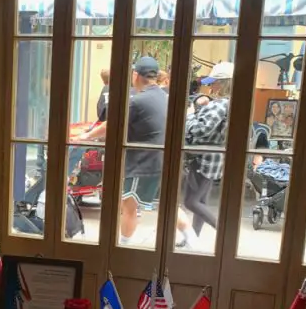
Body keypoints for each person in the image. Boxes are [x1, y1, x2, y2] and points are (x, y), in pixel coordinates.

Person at [89, 56, 167, 243]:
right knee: (129, 203)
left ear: (136, 75)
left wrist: (85, 136)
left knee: (129, 205)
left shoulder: (139, 100)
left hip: (143, 161)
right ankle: (189, 237)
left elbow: (112, 124)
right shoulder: (162, 96)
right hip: (155, 159)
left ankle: (122, 247)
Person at [176, 61, 233, 248]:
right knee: (200, 200)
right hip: (213, 158)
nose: (211, 85)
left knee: (191, 202)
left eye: (214, 82)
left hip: (203, 158)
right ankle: (193, 238)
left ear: (223, 83)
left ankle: (224, 232)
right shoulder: (229, 104)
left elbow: (201, 130)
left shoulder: (219, 105)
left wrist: (190, 115)